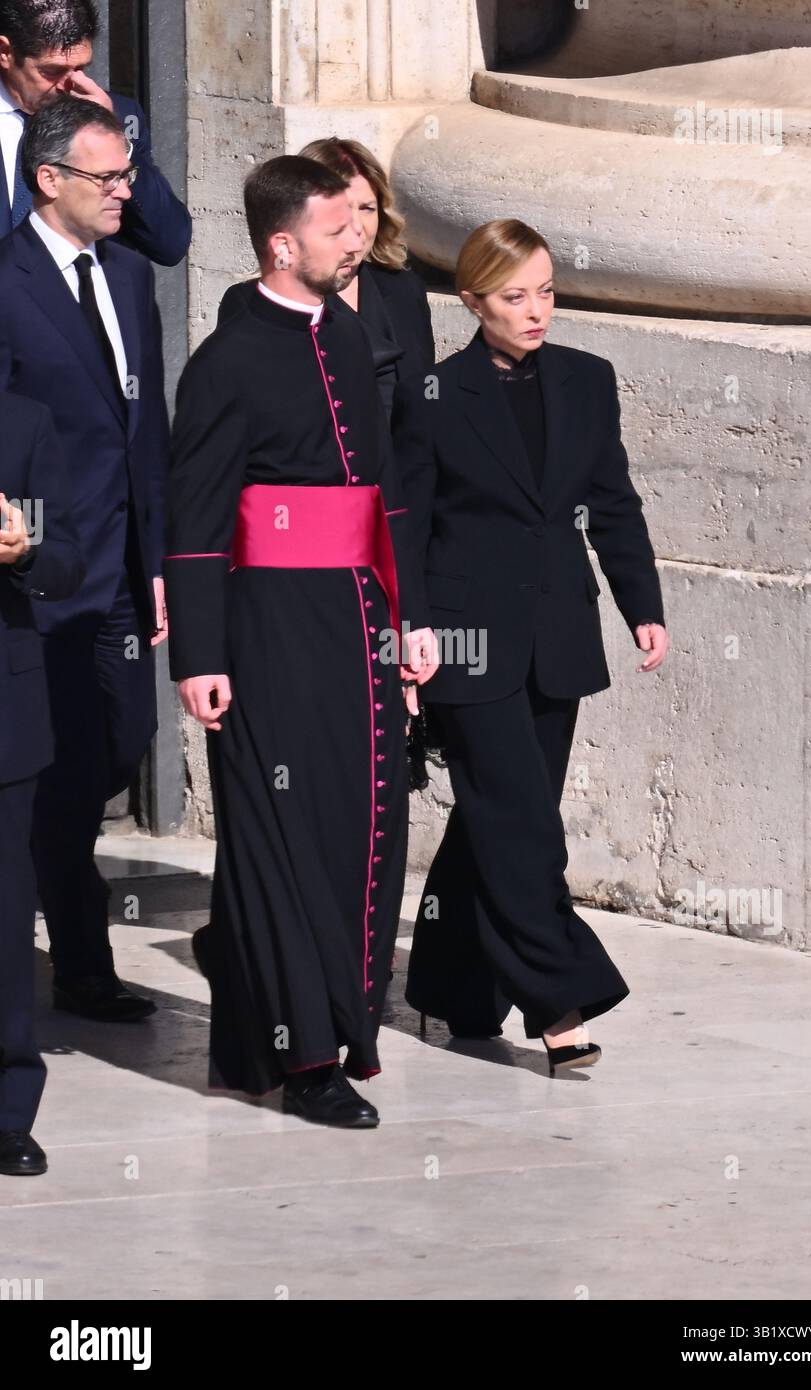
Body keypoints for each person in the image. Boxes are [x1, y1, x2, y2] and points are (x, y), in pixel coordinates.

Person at [164, 155, 438, 1129]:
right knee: (279, 833)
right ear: (283, 244)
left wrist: (410, 622)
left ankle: (301, 1026)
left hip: (358, 617)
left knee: (358, 823)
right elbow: (193, 518)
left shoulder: (356, 335)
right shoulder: (227, 361)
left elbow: (388, 496)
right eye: (335, 228)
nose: (355, 238)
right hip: (268, 624)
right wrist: (197, 656)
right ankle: (306, 1055)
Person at [392, 219, 669, 1074]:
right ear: (473, 301)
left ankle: (454, 986)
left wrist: (642, 606)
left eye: (546, 290)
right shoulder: (434, 396)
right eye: (515, 296)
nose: (537, 309)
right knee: (519, 821)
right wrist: (412, 631)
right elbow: (408, 526)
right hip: (465, 644)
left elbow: (612, 503)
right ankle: (559, 1000)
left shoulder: (589, 382)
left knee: (495, 821)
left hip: (558, 632)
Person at [0, 96, 170, 1022]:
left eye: (126, 174)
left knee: (119, 742)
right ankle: (81, 959)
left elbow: (147, 431)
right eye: (106, 177)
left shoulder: (131, 277)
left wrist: (162, 554)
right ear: (48, 179)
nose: (123, 191)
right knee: (60, 767)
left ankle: (42, 892)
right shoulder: (5, 278)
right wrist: (21, 533)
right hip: (39, 571)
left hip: (120, 572)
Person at [0, 391, 84, 1176]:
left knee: (2, 920)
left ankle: (7, 1109)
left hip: (4, 704)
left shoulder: (23, 422)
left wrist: (25, 549)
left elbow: (68, 561)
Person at [218, 137, 435, 417]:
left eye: (367, 208)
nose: (356, 227)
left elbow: (426, 400)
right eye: (339, 212)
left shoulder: (404, 287)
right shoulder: (253, 302)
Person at [0, 0, 191, 264]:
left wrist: (112, 134)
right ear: (5, 53)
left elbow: (170, 242)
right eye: (52, 71)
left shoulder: (118, 114)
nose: (71, 83)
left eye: (80, 68)